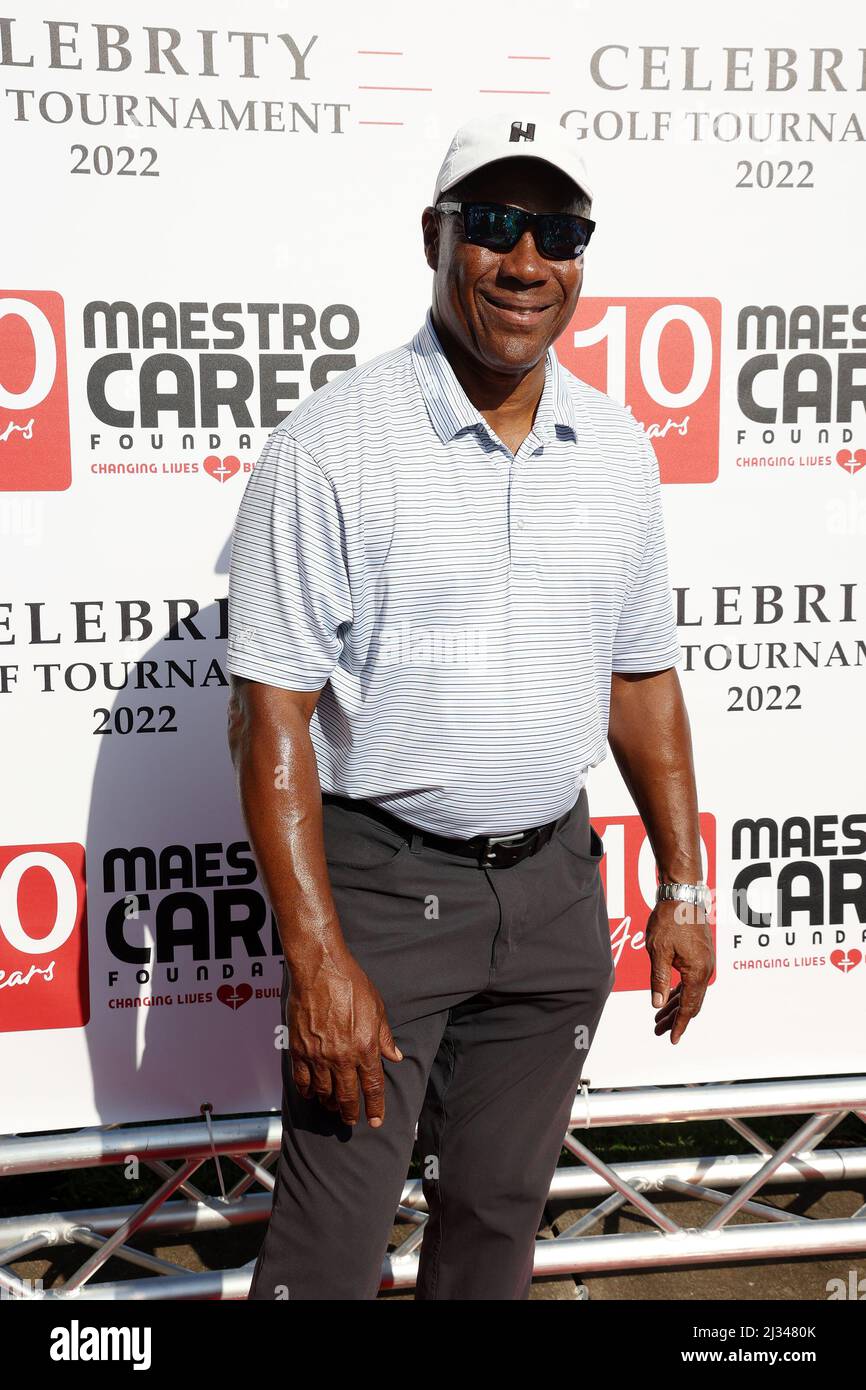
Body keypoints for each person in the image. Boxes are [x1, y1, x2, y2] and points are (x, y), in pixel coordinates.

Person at [226, 111, 715, 1301]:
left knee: (495, 1228)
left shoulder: (614, 448)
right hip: (383, 897)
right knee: (331, 1256)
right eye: (492, 225)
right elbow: (270, 714)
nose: (524, 261)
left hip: (552, 892)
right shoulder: (331, 443)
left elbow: (639, 677)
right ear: (434, 237)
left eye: (557, 231)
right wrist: (318, 954)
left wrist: (683, 883)